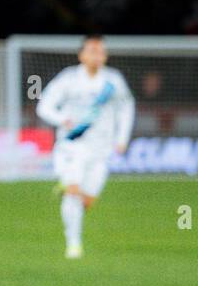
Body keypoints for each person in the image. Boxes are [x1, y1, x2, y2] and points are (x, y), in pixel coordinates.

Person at [35, 35, 135, 259]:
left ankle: (67, 189)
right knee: (74, 193)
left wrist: (122, 138)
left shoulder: (113, 81)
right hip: (72, 146)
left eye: (101, 51)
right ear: (81, 55)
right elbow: (44, 107)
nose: (97, 55)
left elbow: (126, 108)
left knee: (87, 199)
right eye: (92, 50)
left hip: (101, 149)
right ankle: (73, 245)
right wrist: (62, 119)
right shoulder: (68, 79)